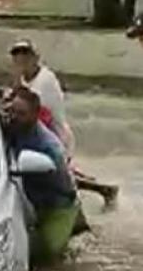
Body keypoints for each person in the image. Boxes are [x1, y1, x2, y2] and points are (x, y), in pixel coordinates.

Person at [9, 39, 118, 208]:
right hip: (43, 131)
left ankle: (103, 190)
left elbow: (31, 107)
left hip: (55, 136)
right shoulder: (26, 78)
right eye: (17, 55)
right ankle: (103, 189)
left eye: (25, 54)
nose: (21, 59)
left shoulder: (45, 80)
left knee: (59, 176)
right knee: (64, 173)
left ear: (35, 57)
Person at [3, 87, 80, 265]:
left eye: (21, 113)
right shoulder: (12, 127)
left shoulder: (48, 147)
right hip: (29, 199)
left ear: (36, 115)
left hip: (57, 206)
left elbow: (65, 184)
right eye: (12, 111)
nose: (14, 117)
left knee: (45, 256)